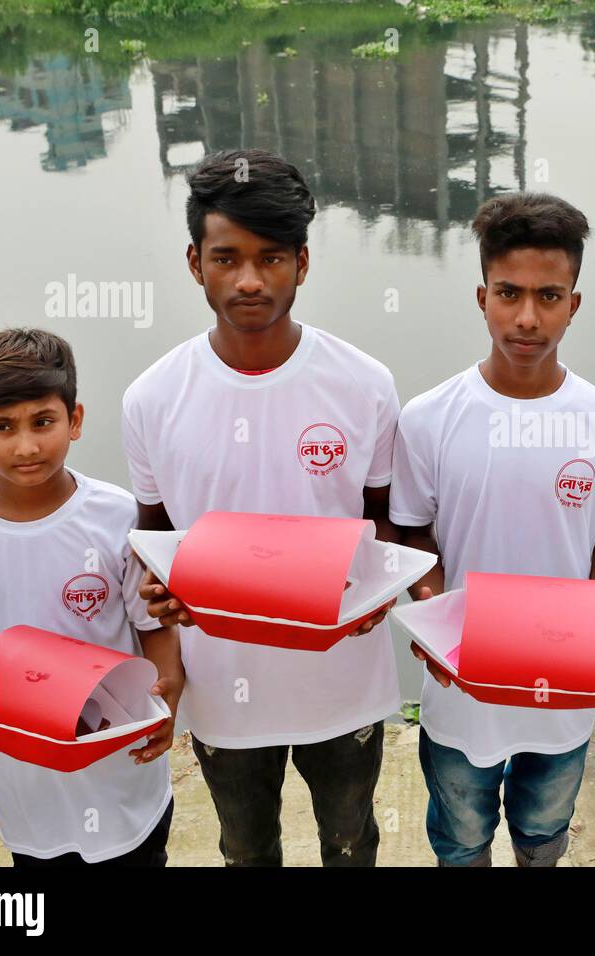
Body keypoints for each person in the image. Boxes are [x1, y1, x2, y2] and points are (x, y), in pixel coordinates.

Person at [125, 148, 398, 867]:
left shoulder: (364, 384)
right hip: (223, 685)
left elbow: (384, 520)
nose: (249, 280)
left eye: (272, 258)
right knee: (247, 850)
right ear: (195, 263)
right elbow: (154, 536)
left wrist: (382, 593)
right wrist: (156, 588)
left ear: (303, 264)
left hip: (343, 675)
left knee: (349, 843)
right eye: (227, 258)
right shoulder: (154, 397)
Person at [391, 192, 595, 866]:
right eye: (509, 293)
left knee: (543, 832)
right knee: (460, 837)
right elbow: (413, 534)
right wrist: (435, 617)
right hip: (460, 695)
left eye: (549, 296)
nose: (527, 318)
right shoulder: (429, 418)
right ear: (482, 298)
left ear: (575, 303)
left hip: (562, 699)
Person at [0, 329, 181, 866]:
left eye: (43, 422)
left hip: (120, 772)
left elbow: (156, 631)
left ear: (75, 419)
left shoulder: (120, 518)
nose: (26, 446)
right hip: (21, 782)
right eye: (2, 427)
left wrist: (166, 704)